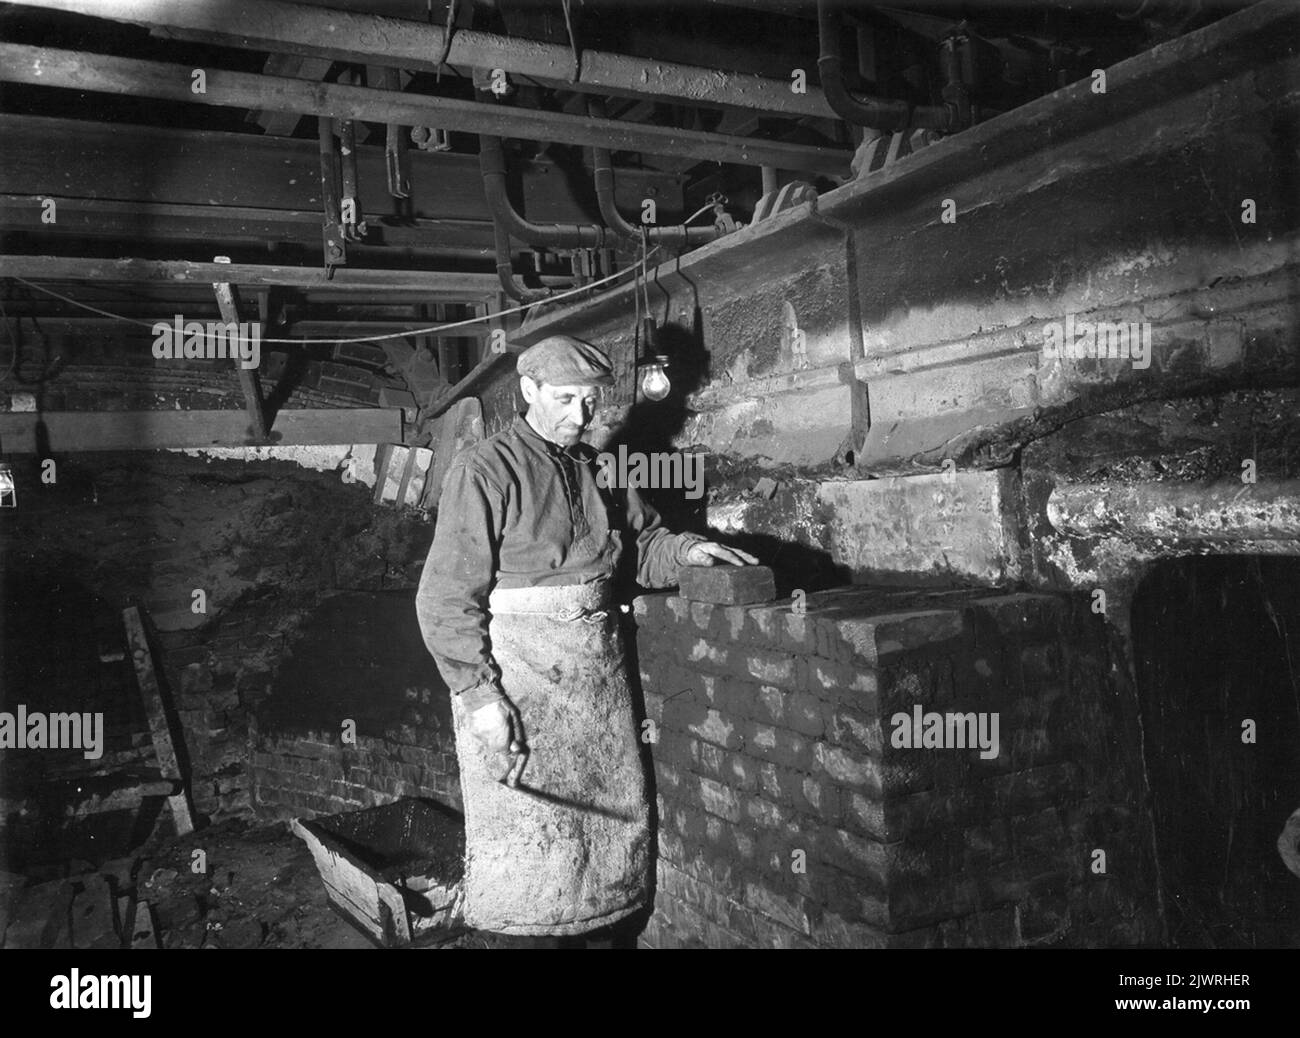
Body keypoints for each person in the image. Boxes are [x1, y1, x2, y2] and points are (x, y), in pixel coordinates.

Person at [415, 333, 756, 940]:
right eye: (566, 400)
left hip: (595, 681)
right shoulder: (484, 469)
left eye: (592, 402)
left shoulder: (600, 468)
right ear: (528, 392)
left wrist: (688, 550)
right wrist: (478, 696)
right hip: (518, 682)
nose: (581, 416)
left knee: (608, 842)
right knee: (530, 849)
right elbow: (444, 599)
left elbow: (639, 549)